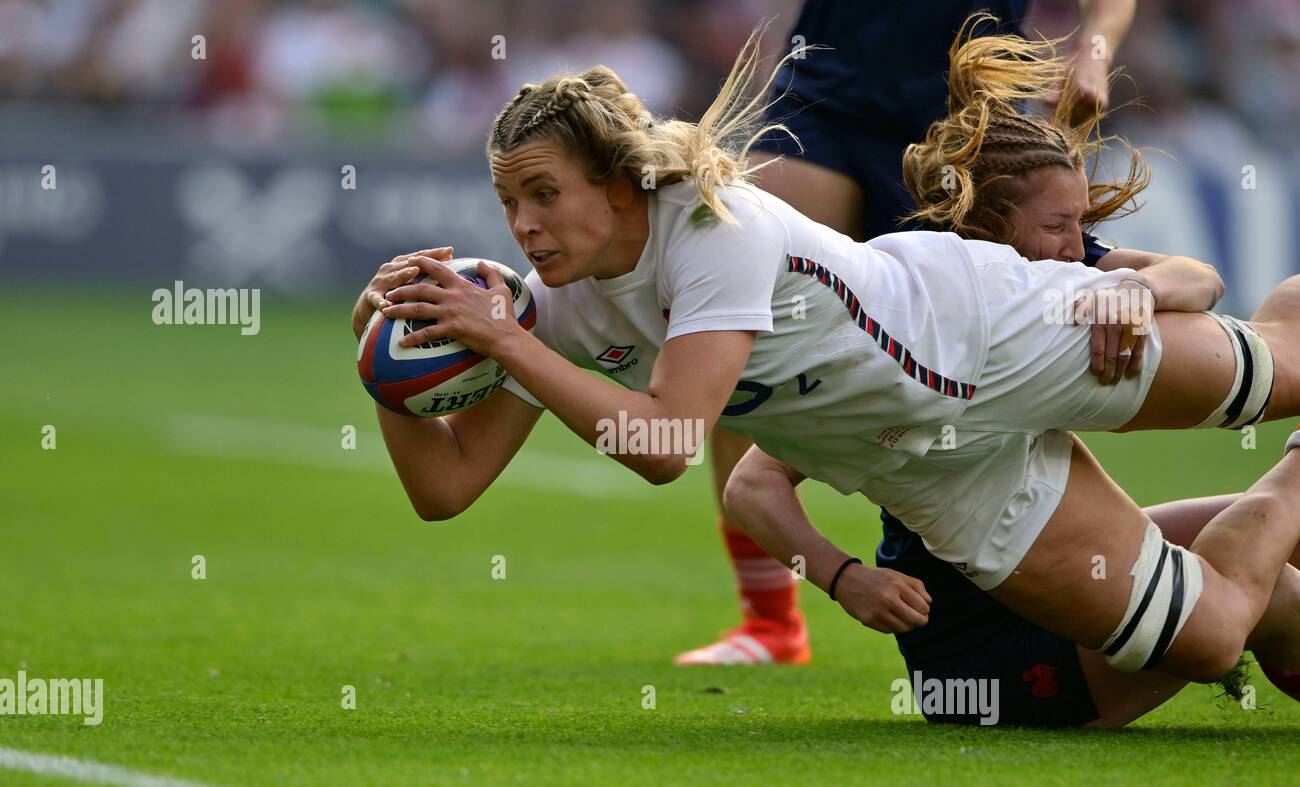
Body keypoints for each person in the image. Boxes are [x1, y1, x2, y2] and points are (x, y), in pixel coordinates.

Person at [350, 29, 1300, 728]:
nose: (522, 226)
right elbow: (445, 488)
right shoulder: (545, 314)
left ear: (618, 182)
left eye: (543, 194)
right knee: (1214, 634)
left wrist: (512, 347)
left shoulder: (711, 224)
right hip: (930, 472)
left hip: (983, 332)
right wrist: (383, 368)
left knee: (1286, 369)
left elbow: (672, 445)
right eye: (508, 201)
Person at [681, 0, 1139, 666]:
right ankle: (771, 619)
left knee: (983, 344)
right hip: (826, 92)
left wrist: (1094, 50)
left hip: (970, 115)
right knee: (744, 333)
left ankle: (1033, 570)